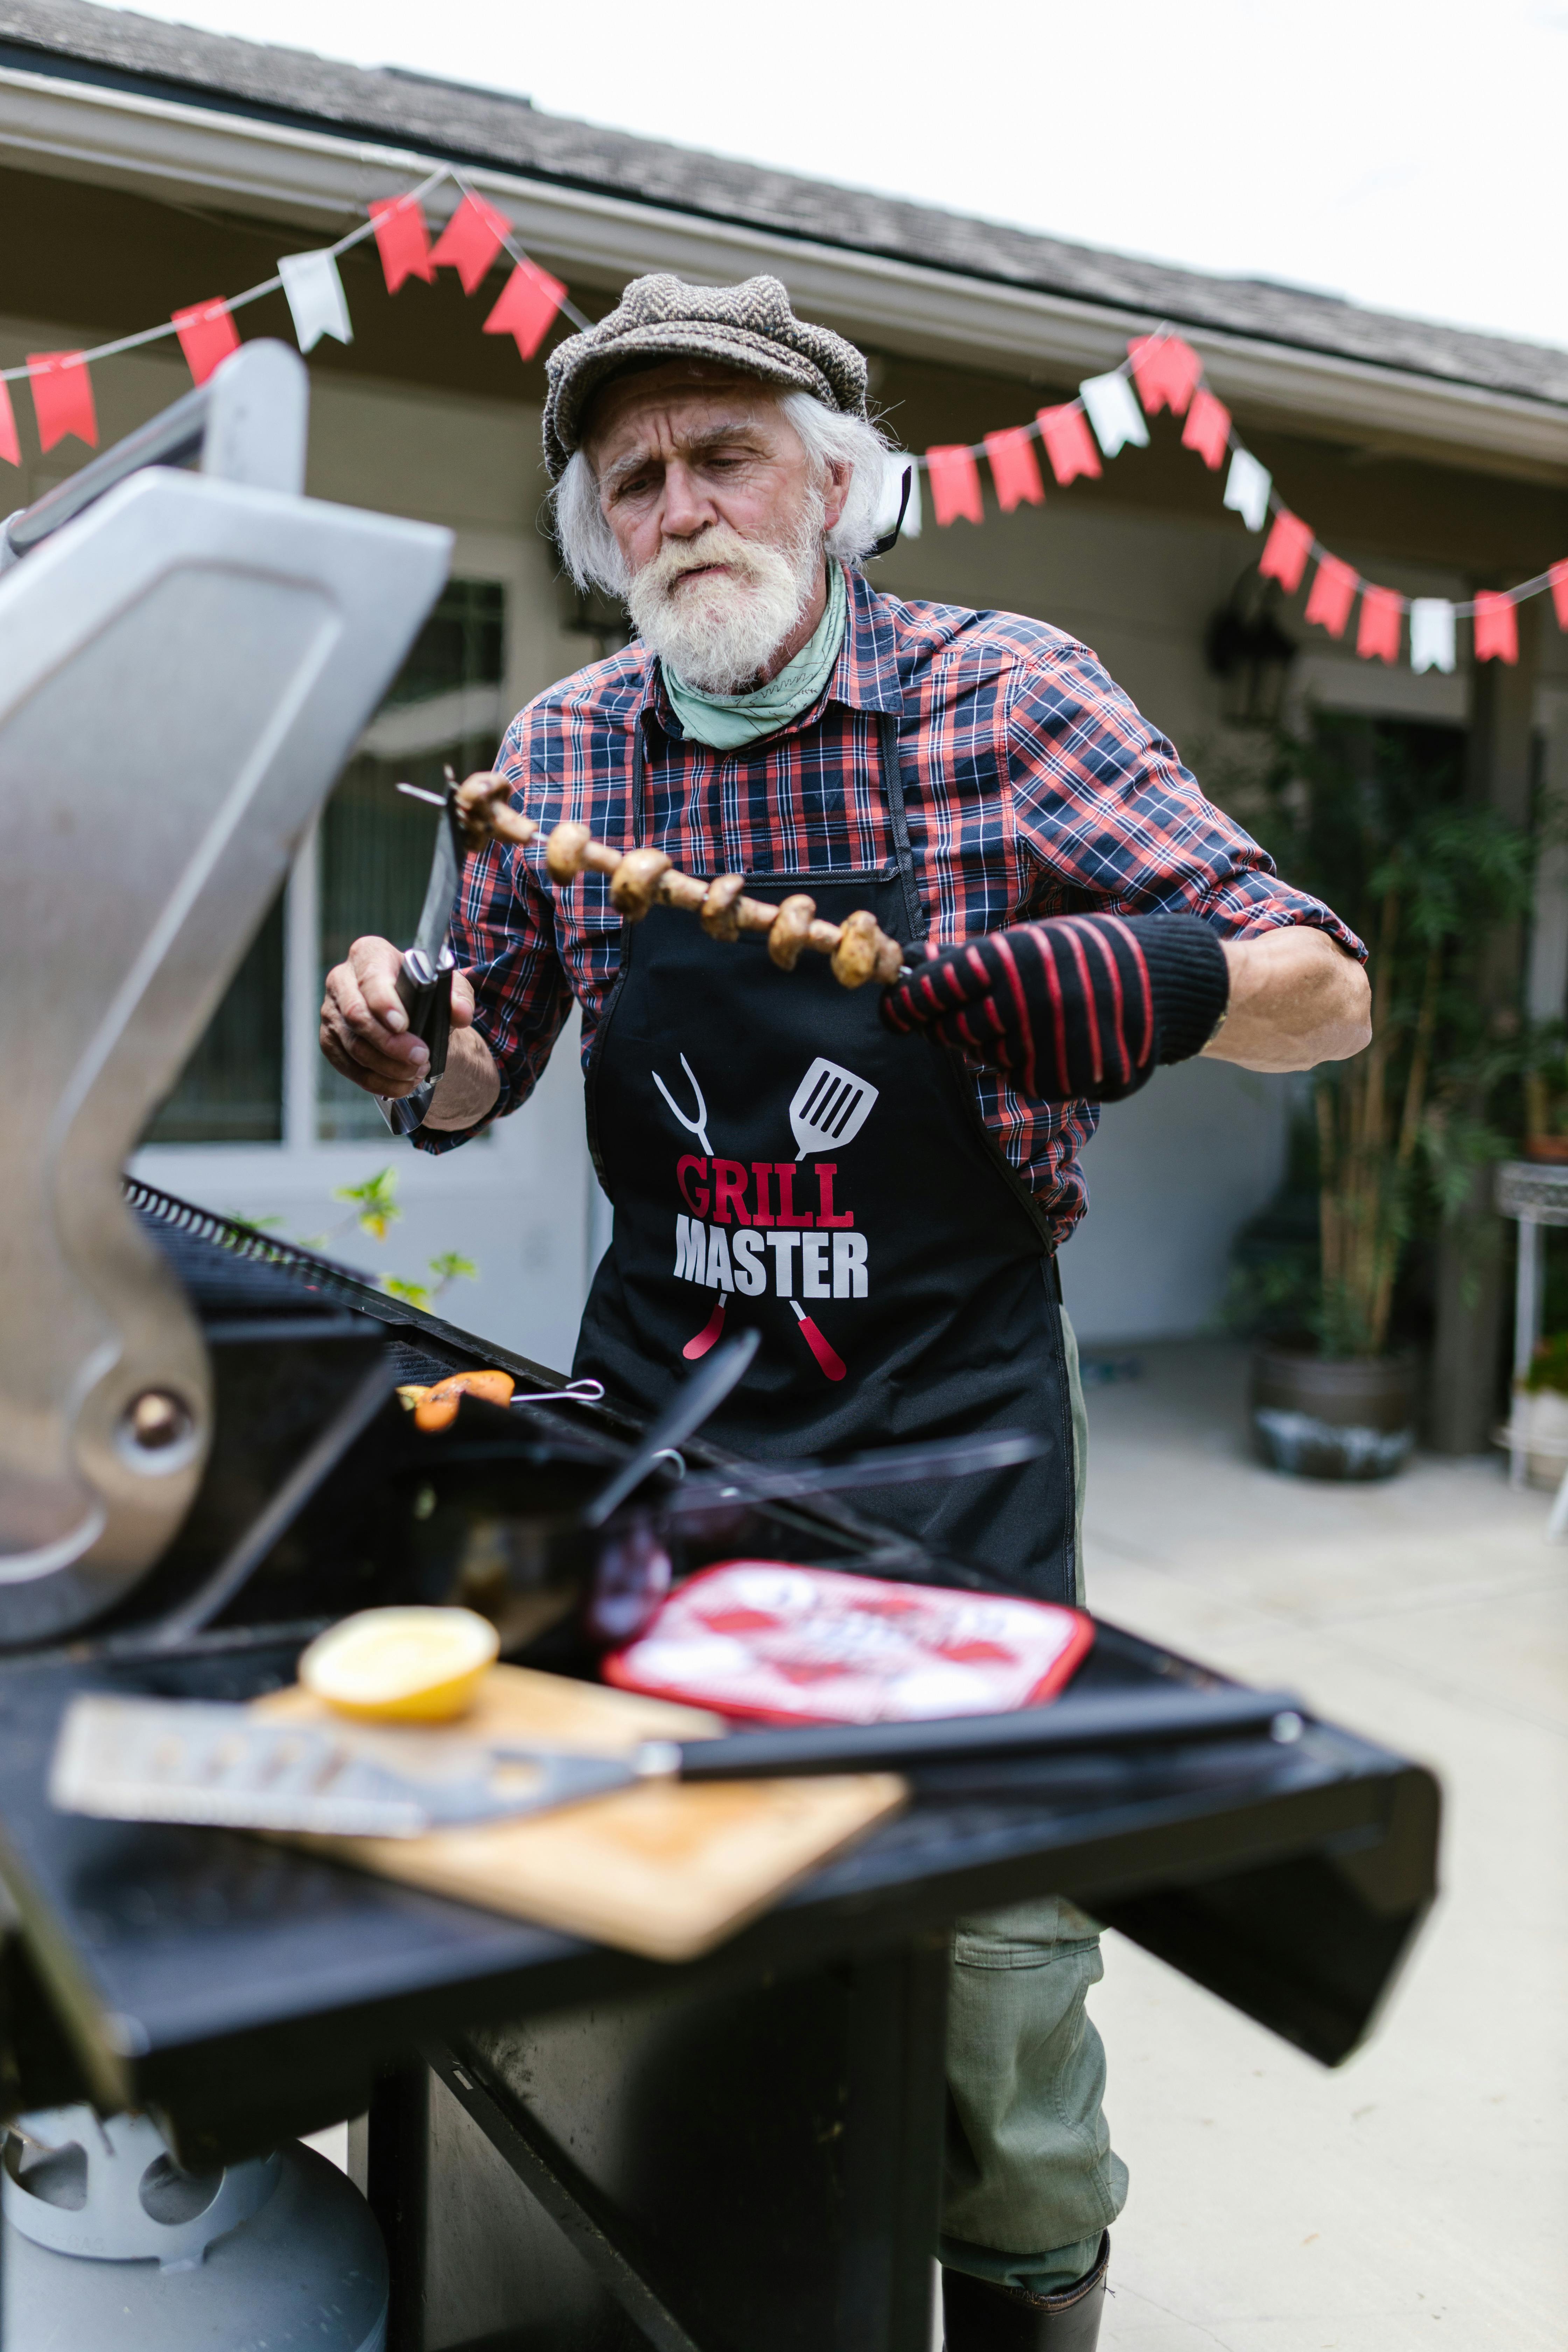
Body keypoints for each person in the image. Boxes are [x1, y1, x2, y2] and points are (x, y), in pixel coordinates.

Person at [321, 273, 1370, 2349]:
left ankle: (1021, 2297)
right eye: (634, 480)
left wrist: (1157, 985)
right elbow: (485, 1063)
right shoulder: (563, 753)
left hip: (946, 1434)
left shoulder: (1009, 698)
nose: (682, 506)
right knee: (654, 1938)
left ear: (835, 478)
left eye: (724, 454)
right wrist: (405, 1037)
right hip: (666, 1429)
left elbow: (1326, 986)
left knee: (985, 1983)